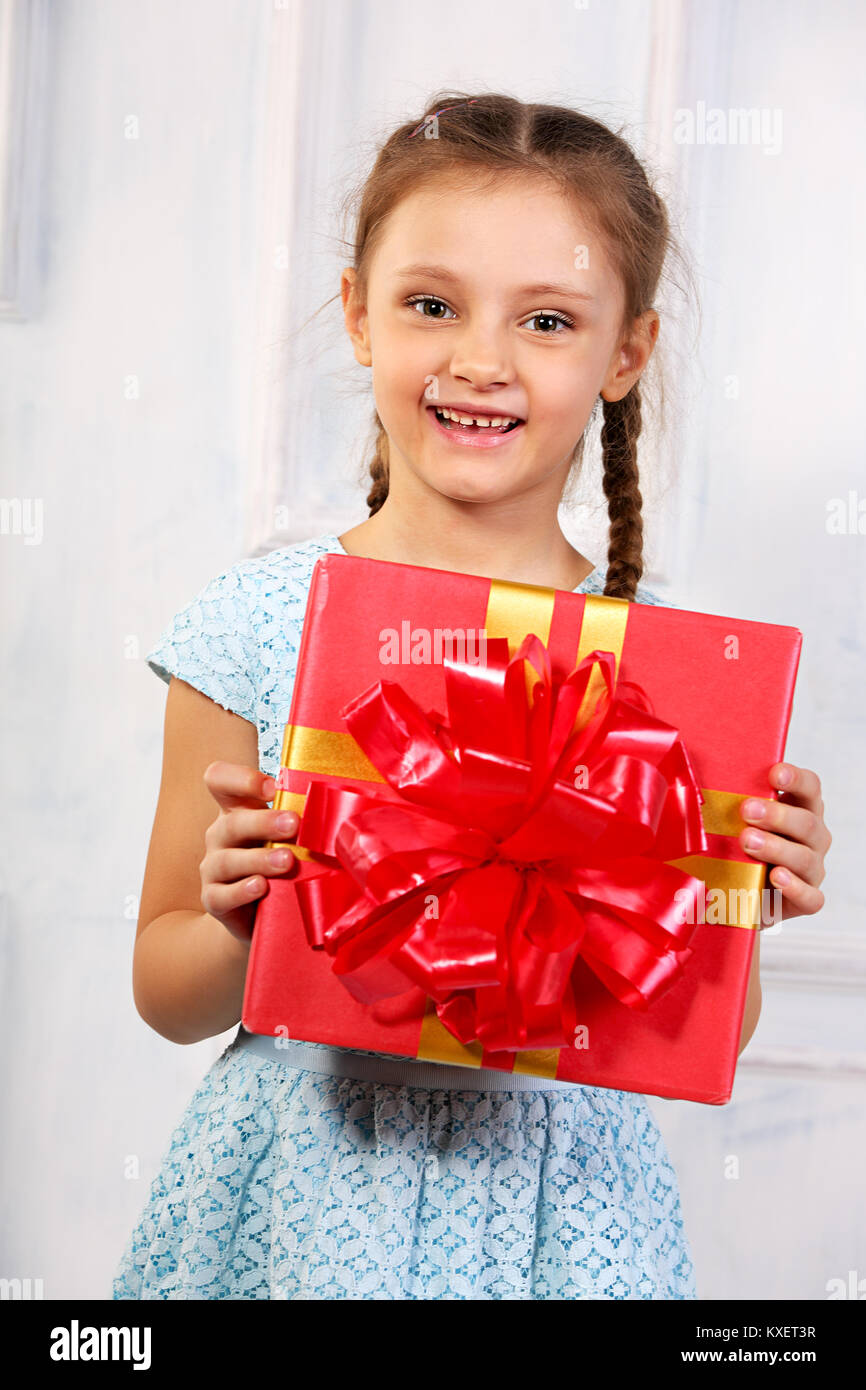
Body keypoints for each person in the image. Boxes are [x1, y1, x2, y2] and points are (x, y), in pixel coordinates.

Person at [113, 91, 831, 1301]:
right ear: (356, 314)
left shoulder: (670, 669)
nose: (479, 360)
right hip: (302, 1191)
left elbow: (710, 1027)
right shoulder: (258, 622)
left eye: (546, 320)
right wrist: (247, 920)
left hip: (566, 1210)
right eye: (430, 303)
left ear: (624, 356)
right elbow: (164, 988)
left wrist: (739, 899)